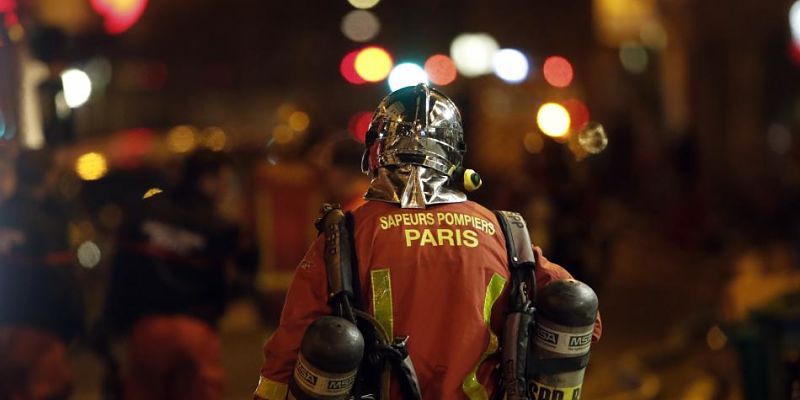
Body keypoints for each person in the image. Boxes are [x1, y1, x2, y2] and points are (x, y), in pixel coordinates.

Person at [253, 85, 602, 399]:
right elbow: (583, 317)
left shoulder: (346, 235)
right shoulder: (503, 231)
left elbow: (290, 347)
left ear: (377, 149)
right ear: (454, 153)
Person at [103, 149, 241, 400]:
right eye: (224, 181)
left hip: (147, 332)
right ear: (207, 181)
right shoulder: (220, 228)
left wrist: (113, 324)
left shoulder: (143, 214)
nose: (226, 190)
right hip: (195, 332)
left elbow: (121, 272)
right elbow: (226, 283)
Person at [0, 149, 84, 400]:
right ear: (48, 177)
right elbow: (62, 281)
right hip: (39, 335)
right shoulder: (47, 222)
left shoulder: (4, 213)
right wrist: (77, 326)